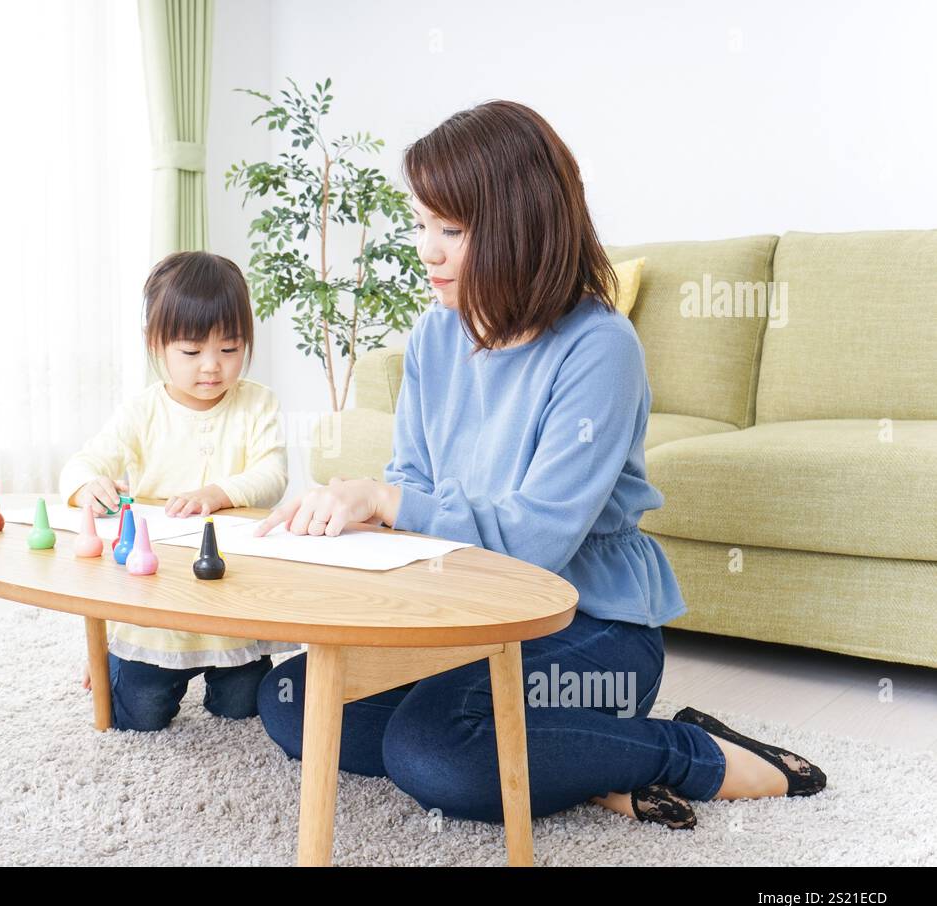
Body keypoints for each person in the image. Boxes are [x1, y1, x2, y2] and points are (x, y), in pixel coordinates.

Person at [253, 100, 826, 830]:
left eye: (451, 230)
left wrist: (389, 500)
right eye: (422, 224)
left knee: (434, 751)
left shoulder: (598, 346)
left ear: (518, 224)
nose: (426, 250)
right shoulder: (435, 337)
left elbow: (536, 545)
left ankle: (687, 750)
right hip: (471, 619)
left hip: (589, 626)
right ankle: (577, 763)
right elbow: (417, 486)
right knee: (295, 700)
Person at [60, 251, 295, 731]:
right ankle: (108, 655)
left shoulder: (257, 403)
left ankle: (224, 675)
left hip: (233, 602)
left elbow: (273, 473)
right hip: (156, 607)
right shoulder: (141, 411)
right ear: (156, 345)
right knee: (134, 716)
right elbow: (82, 463)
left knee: (243, 709)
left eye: (229, 349)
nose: (212, 367)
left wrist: (218, 492)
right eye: (191, 352)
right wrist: (88, 486)